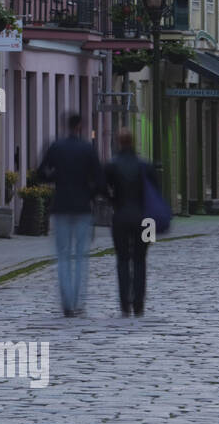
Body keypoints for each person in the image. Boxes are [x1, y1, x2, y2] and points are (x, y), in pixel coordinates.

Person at [37, 113, 103, 317]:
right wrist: (89, 194)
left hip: (61, 206)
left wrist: (56, 177)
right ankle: (78, 302)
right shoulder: (87, 149)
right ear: (80, 126)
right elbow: (99, 181)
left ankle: (67, 303)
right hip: (82, 208)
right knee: (81, 257)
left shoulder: (56, 147)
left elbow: (40, 174)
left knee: (63, 256)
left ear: (67, 126)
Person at [105, 128, 156, 316]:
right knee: (141, 260)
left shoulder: (112, 166)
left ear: (119, 142)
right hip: (146, 219)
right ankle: (139, 304)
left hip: (120, 218)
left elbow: (102, 188)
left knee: (123, 259)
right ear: (133, 142)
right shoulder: (145, 166)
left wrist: (113, 201)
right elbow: (155, 195)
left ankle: (125, 304)